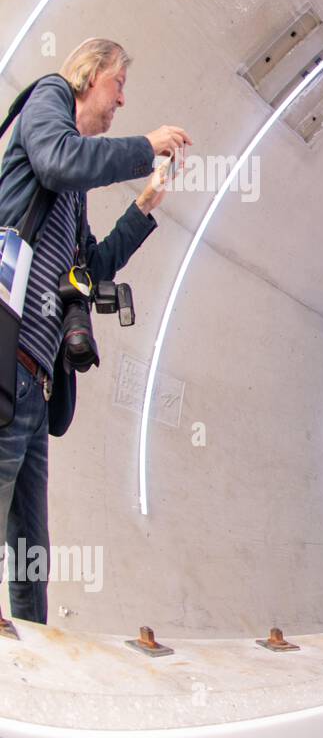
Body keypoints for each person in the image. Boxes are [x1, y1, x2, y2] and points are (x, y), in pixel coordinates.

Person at [0, 38, 190, 623]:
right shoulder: (47, 101)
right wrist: (144, 148)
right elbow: (60, 159)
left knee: (32, 548)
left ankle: (33, 666)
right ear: (87, 76)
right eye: (118, 85)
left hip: (37, 381)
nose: (122, 99)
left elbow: (90, 271)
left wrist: (143, 208)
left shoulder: (73, 192)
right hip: (5, 359)